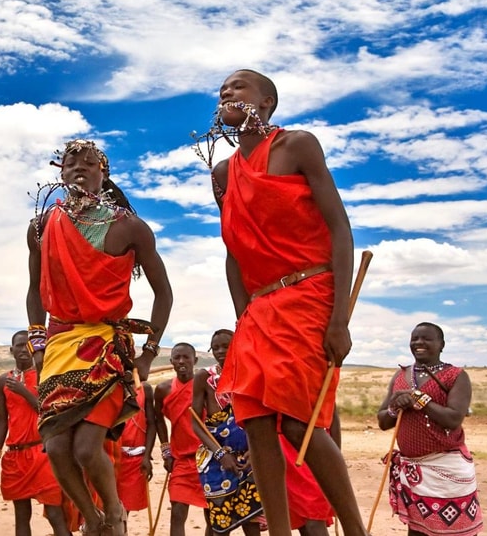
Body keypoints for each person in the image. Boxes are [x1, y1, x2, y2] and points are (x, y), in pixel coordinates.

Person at [202, 69, 369, 536]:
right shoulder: (222, 174)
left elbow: (340, 227)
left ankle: (355, 530)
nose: (227, 93)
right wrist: (245, 316)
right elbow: (234, 251)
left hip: (309, 293)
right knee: (255, 424)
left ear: (268, 101)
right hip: (259, 307)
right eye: (222, 90)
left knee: (299, 424)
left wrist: (338, 320)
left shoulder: (297, 145)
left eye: (239, 86)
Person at [27, 138, 173, 536]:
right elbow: (35, 290)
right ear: (60, 172)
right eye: (70, 162)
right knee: (57, 448)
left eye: (89, 162)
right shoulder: (42, 225)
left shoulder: (129, 227)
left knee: (87, 447)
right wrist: (37, 342)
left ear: (103, 173)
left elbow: (164, 292)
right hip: (59, 346)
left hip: (106, 345)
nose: (78, 167)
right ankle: (91, 520)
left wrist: (149, 353)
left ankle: (114, 512)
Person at [377, 322, 482, 536]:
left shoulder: (455, 376)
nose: (419, 343)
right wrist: (396, 407)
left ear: (441, 345)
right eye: (415, 338)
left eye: (426, 339)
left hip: (447, 471)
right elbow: (382, 421)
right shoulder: (400, 377)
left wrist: (419, 399)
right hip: (414, 474)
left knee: (455, 531)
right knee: (417, 530)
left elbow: (453, 419)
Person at [0, 330, 72, 536]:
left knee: (54, 514)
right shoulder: (3, 381)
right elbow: (1, 421)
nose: (23, 349)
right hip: (15, 456)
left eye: (27, 345)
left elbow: (49, 412)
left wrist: (24, 391)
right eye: (18, 345)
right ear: (11, 350)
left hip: (43, 453)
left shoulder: (45, 376)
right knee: (21, 516)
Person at [191, 330, 262, 535]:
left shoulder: (251, 373)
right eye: (216, 347)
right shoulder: (204, 377)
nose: (221, 351)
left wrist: (254, 451)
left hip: (247, 458)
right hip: (216, 459)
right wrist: (221, 454)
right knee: (219, 524)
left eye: (226, 346)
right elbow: (196, 423)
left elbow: (258, 418)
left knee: (252, 521)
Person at [153, 343, 208, 536]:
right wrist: (165, 449)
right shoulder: (163, 389)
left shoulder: (206, 387)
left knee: (212, 515)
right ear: (171, 362)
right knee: (177, 511)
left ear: (195, 360)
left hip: (209, 459)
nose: (182, 361)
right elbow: (158, 419)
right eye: (177, 358)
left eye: (186, 357)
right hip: (181, 460)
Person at [115, 373, 155, 523]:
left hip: (136, 457)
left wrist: (147, 456)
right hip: (112, 456)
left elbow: (151, 423)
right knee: (108, 505)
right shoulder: (109, 387)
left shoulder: (145, 389)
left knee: (125, 506)